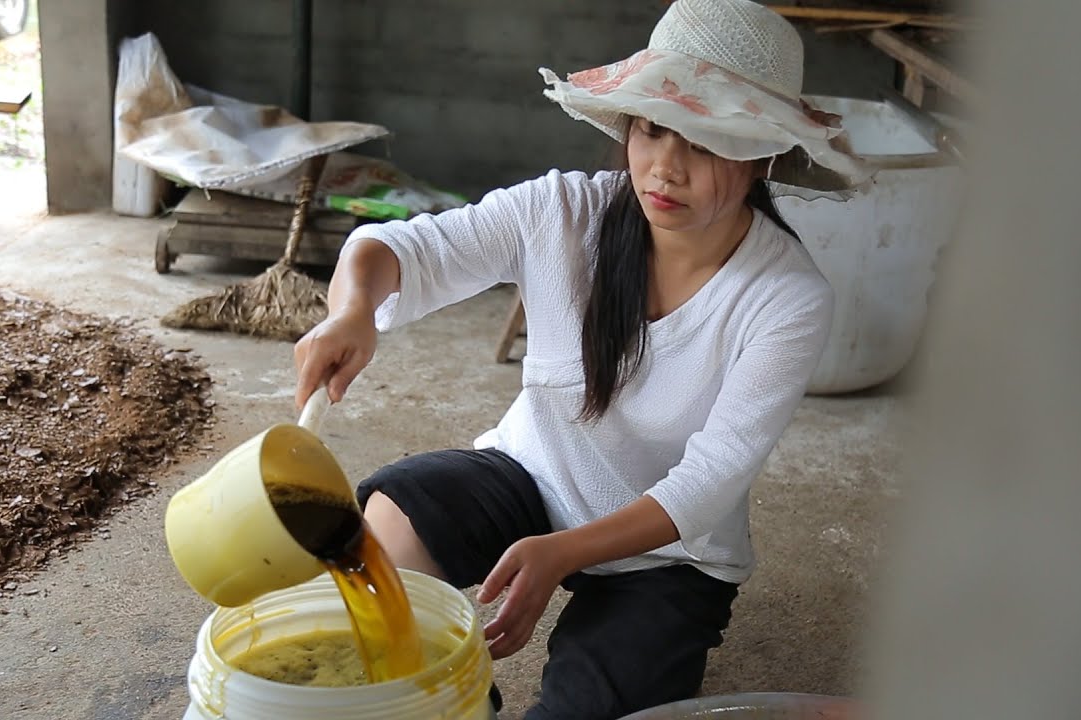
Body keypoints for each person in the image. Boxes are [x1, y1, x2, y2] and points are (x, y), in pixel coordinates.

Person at [293, 1, 869, 717]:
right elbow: (401, 248)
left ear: (763, 158)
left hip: (668, 554)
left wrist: (560, 552)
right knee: (390, 524)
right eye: (653, 129)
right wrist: (352, 312)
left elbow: (710, 481)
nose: (667, 167)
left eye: (706, 142)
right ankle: (445, 698)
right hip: (532, 476)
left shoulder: (786, 297)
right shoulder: (563, 211)